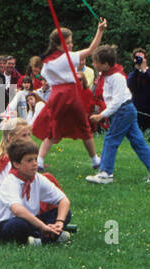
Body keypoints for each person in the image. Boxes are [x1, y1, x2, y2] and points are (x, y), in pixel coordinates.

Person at [32, 19, 108, 172]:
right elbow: (92, 49)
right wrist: (100, 31)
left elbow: (45, 75)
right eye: (68, 43)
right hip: (71, 95)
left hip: (56, 95)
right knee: (84, 126)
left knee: (53, 128)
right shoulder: (69, 57)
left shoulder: (47, 62)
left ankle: (39, 160)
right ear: (58, 44)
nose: (71, 45)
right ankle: (94, 159)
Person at [86, 46, 150, 184]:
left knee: (110, 139)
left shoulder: (116, 77)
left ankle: (105, 173)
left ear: (105, 64)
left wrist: (102, 115)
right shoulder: (106, 75)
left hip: (123, 110)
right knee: (137, 141)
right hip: (126, 110)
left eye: (95, 62)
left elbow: (117, 101)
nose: (93, 64)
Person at [0, 138, 72, 245]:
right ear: (16, 164)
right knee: (18, 225)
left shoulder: (37, 178)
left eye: (36, 159)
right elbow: (18, 211)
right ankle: (49, 237)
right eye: (29, 160)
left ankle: (40, 237)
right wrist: (42, 226)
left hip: (33, 220)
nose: (35, 163)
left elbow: (63, 200)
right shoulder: (10, 182)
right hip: (9, 222)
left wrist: (59, 222)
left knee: (65, 213)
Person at [127, 48, 150, 141]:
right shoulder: (132, 74)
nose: (139, 59)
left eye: (141, 57)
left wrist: (144, 71)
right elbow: (130, 85)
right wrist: (137, 69)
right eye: (137, 58)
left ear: (145, 59)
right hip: (137, 107)